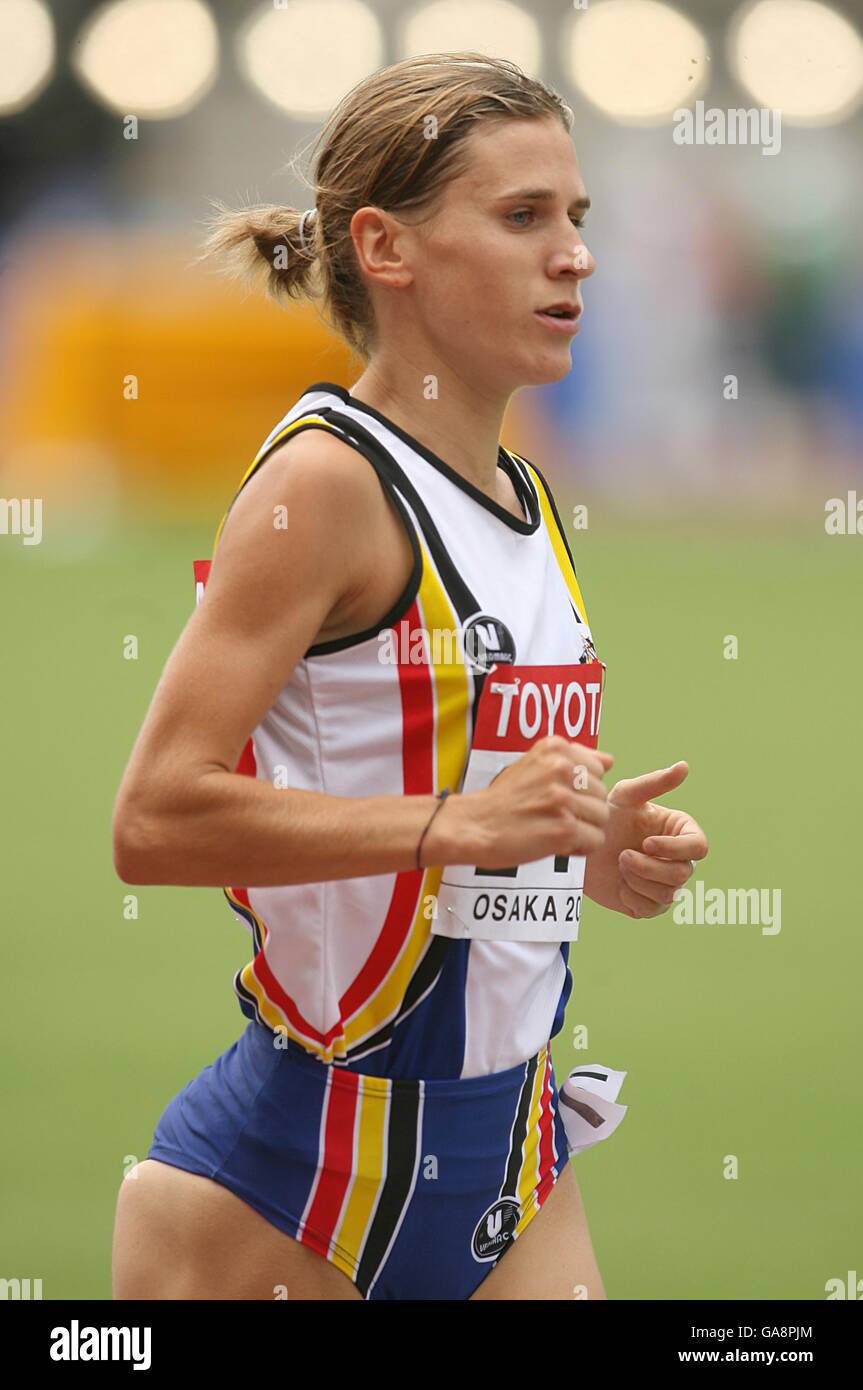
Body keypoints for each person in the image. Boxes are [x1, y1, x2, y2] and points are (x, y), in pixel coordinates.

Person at [111, 51, 708, 1302]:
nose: (574, 255)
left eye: (576, 219)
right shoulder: (325, 486)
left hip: (508, 1154)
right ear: (385, 247)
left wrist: (585, 847)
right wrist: (456, 826)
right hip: (300, 1177)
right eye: (522, 217)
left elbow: (453, 788)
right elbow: (155, 815)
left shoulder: (527, 496)